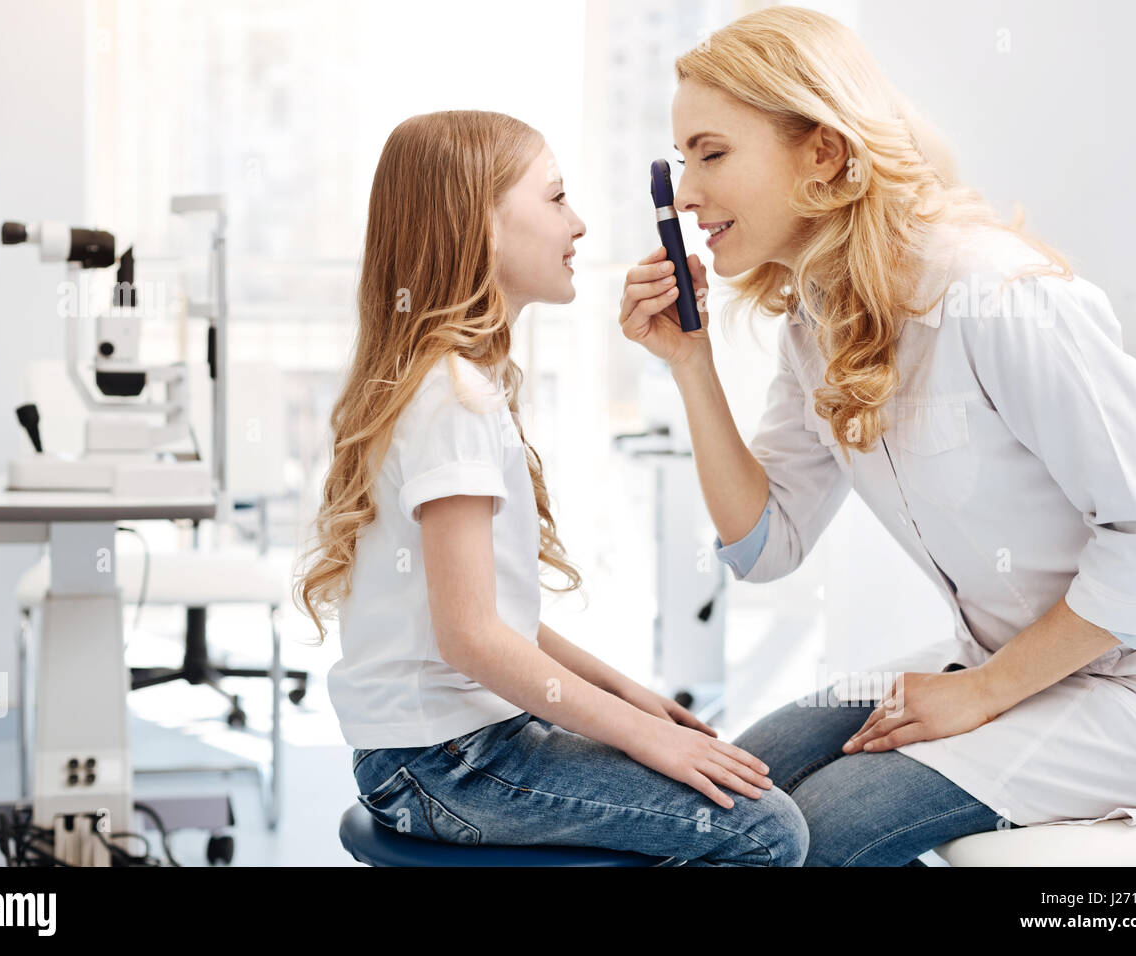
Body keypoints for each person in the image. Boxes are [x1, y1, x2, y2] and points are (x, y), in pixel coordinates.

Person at [617, 5, 1136, 866]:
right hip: (1006, 661)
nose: (687, 194)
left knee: (816, 834)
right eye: (682, 161)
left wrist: (989, 694)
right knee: (740, 781)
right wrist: (690, 364)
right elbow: (763, 547)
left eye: (712, 154)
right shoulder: (819, 321)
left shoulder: (996, 295)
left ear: (821, 152)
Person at [294, 109, 809, 866]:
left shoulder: (451, 384)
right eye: (557, 199)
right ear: (482, 226)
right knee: (766, 831)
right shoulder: (452, 400)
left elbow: (498, 622)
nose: (580, 224)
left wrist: (634, 699)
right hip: (448, 765)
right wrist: (644, 739)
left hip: (448, 749)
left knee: (745, 784)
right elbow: (471, 638)